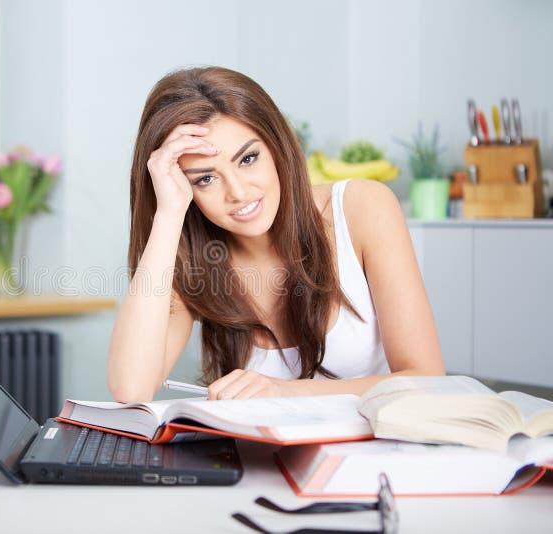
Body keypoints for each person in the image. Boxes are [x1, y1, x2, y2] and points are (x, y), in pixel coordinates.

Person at [107, 66, 444, 403]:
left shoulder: (363, 208)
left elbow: (425, 378)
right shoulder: (193, 260)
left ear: (276, 145)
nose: (238, 192)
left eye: (248, 158)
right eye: (205, 179)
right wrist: (167, 214)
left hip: (369, 453)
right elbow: (130, 388)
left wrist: (285, 391)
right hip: (257, 455)